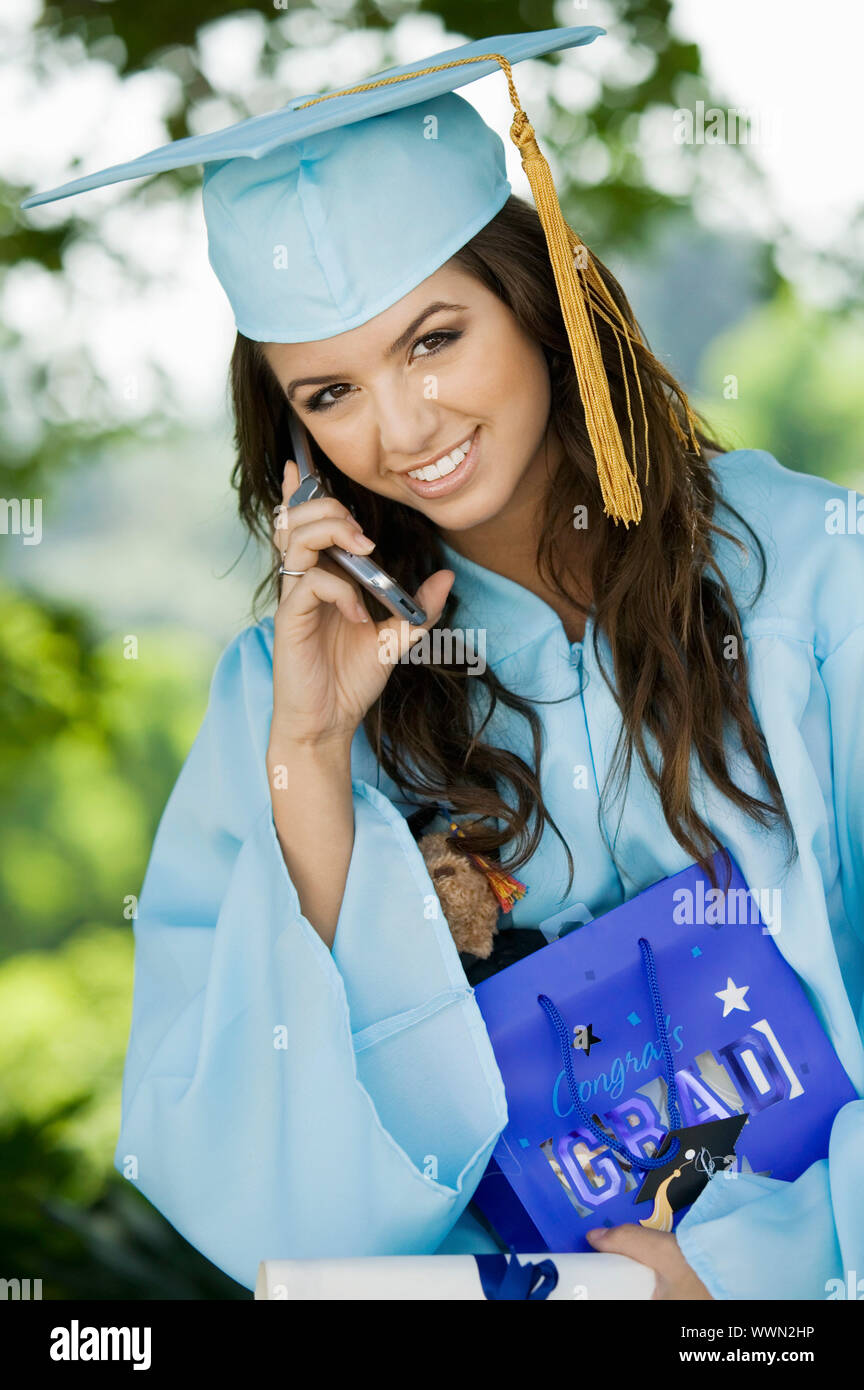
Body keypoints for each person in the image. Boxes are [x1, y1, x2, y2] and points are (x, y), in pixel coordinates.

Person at [22, 25, 864, 1300]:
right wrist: (312, 756)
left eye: (433, 340)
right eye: (328, 393)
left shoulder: (810, 574)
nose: (403, 430)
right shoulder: (288, 690)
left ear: (540, 301)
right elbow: (282, 1201)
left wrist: (745, 1274)